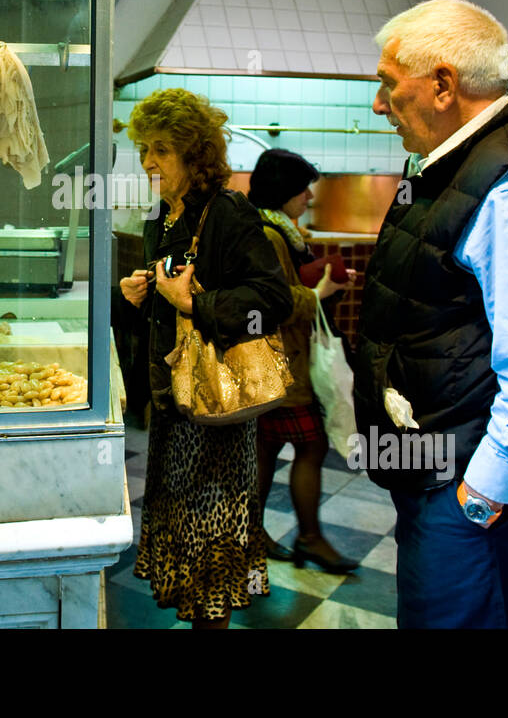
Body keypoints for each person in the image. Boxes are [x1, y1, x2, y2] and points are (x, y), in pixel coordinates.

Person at [354, 0, 508, 628]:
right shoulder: (451, 165)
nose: (379, 106)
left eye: (388, 86)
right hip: (437, 464)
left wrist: (478, 499)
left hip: (473, 488)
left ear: (443, 85)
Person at [118, 88, 293, 628]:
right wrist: (140, 293)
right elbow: (170, 293)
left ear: (195, 153)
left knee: (210, 548)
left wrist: (193, 302)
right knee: (186, 544)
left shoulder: (228, 211)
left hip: (217, 407)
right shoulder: (164, 217)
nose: (149, 161)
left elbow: (273, 299)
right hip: (175, 404)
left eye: (162, 150)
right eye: (145, 149)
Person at [247, 148, 359, 572]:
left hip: (271, 363)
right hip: (283, 364)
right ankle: (309, 538)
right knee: (310, 446)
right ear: (284, 191)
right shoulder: (272, 235)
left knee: (267, 447)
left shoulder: (275, 230)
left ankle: (253, 534)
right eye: (303, 188)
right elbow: (274, 300)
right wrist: (319, 295)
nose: (309, 197)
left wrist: (323, 284)